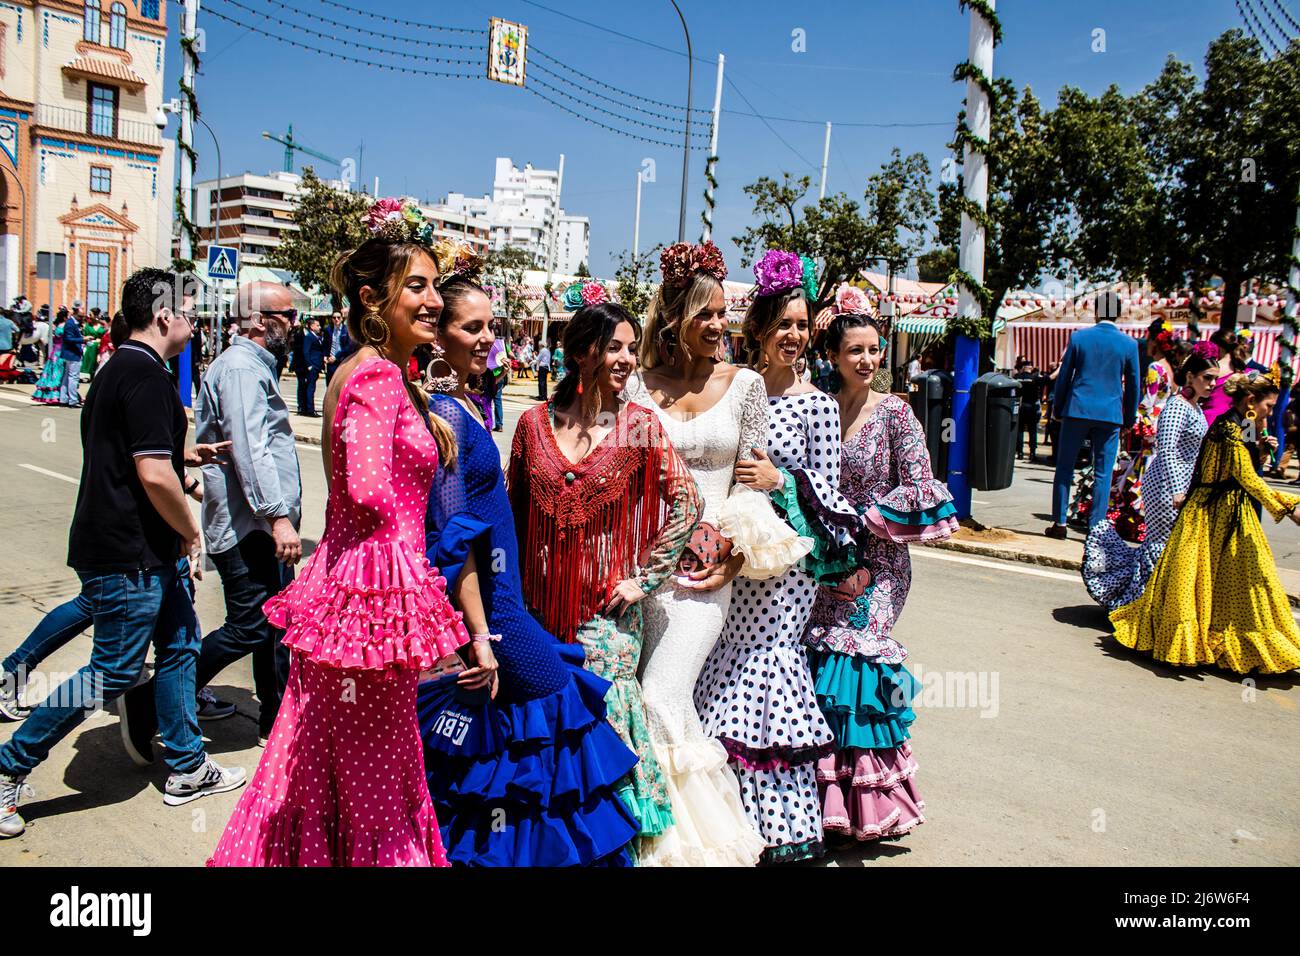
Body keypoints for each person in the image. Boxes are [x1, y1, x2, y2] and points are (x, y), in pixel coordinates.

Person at [209, 198, 486, 867]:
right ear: (372, 297)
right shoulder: (377, 378)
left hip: (349, 598)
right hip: (370, 602)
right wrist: (418, 592)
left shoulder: (370, 372)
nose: (430, 302)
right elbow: (365, 491)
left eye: (431, 287)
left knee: (327, 763)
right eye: (414, 287)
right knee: (372, 779)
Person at [0, 268, 246, 838]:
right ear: (164, 316)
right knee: (109, 673)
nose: (194, 321)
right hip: (128, 554)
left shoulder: (122, 368)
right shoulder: (147, 377)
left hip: (137, 549)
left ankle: (187, 766)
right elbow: (153, 475)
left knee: (182, 645)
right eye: (187, 310)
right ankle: (10, 767)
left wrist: (187, 454)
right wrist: (190, 532)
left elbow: (140, 453)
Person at [414, 248, 639, 866]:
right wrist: (482, 635)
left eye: (492, 326)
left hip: (508, 604)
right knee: (557, 713)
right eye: (472, 327)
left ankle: (497, 851)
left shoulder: (461, 402)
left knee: (515, 747)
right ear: (439, 332)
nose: (488, 339)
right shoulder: (440, 414)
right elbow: (453, 539)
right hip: (495, 612)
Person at [624, 241, 803, 867]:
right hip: (640, 570)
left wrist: (734, 557)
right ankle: (638, 831)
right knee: (637, 696)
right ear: (674, 317)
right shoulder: (636, 387)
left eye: (724, 311)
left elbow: (754, 482)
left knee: (660, 697)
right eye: (704, 312)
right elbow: (619, 479)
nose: (718, 324)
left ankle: (685, 847)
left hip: (705, 574)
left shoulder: (747, 385)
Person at [508, 302, 701, 855]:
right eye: (612, 347)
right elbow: (512, 508)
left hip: (607, 612)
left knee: (606, 718)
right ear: (578, 353)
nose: (625, 359)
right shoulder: (531, 425)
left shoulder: (639, 425)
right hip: (540, 608)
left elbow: (686, 499)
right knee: (545, 720)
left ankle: (614, 844)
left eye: (629, 347)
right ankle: (549, 840)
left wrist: (645, 578)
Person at [696, 252, 861, 865]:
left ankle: (778, 830)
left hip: (783, 571)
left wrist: (778, 477)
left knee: (766, 669)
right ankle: (721, 820)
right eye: (783, 324)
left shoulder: (817, 404)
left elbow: (831, 497)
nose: (794, 335)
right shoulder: (733, 386)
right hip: (729, 561)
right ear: (760, 329)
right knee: (719, 665)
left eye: (802, 323)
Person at [118, 281, 303, 756]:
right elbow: (249, 448)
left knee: (275, 627)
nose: (296, 323)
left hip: (256, 524)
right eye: (288, 314)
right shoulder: (242, 368)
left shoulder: (250, 365)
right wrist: (276, 517)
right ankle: (157, 698)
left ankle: (274, 715)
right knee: (252, 625)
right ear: (260, 319)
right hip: (250, 528)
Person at [804, 307, 958, 847]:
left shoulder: (896, 415)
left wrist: (866, 547)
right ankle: (824, 804)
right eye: (855, 351)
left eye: (874, 350)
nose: (868, 360)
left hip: (881, 561)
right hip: (825, 560)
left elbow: (920, 487)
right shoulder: (818, 409)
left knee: (857, 666)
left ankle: (873, 805)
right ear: (832, 357)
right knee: (819, 667)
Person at [1110, 372, 1300, 674]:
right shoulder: (1226, 430)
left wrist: (1263, 448)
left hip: (1232, 513)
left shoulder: (1246, 422)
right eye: (1268, 406)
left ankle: (1234, 643)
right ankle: (1190, 643)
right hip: (1208, 513)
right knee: (1198, 584)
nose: (1271, 412)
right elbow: (1248, 479)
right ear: (1251, 401)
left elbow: (1252, 465)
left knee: (1244, 580)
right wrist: (1291, 507)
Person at [1083, 343, 1217, 613]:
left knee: (1168, 549)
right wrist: (1178, 490)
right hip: (1167, 486)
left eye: (1215, 378)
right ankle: (1137, 606)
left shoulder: (1195, 407)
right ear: (1190, 376)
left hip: (1181, 484)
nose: (1213, 383)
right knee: (1159, 547)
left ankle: (1150, 606)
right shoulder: (1178, 406)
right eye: (1207, 378)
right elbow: (1166, 450)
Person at [1045, 291, 1140, 539]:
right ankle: (1096, 526)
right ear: (1118, 313)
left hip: (1077, 408)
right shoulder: (1129, 344)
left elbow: (1064, 376)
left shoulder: (1079, 338)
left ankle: (1060, 522)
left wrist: (1057, 409)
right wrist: (1129, 418)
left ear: (1096, 311)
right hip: (1110, 413)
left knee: (1065, 466)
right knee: (1103, 471)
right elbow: (1133, 385)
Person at [31, 308, 67, 405]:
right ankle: (56, 395)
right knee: (58, 372)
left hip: (54, 351)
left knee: (51, 371)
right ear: (64, 317)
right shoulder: (64, 326)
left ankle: (48, 394)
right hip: (60, 351)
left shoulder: (55, 326)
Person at [1013, 358, 1046, 462]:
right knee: (1032, 430)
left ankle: (1020, 452)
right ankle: (1032, 453)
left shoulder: (1016, 377)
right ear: (1030, 367)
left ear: (1023, 368)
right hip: (1032, 407)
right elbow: (1047, 381)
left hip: (1021, 406)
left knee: (1020, 430)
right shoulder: (1034, 378)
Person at [295, 316, 324, 416]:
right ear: (312, 326)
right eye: (317, 325)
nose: (319, 327)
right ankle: (309, 409)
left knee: (311, 387)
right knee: (310, 388)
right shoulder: (309, 337)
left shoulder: (316, 336)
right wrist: (309, 365)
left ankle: (308, 408)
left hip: (316, 365)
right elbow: (306, 351)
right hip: (312, 365)